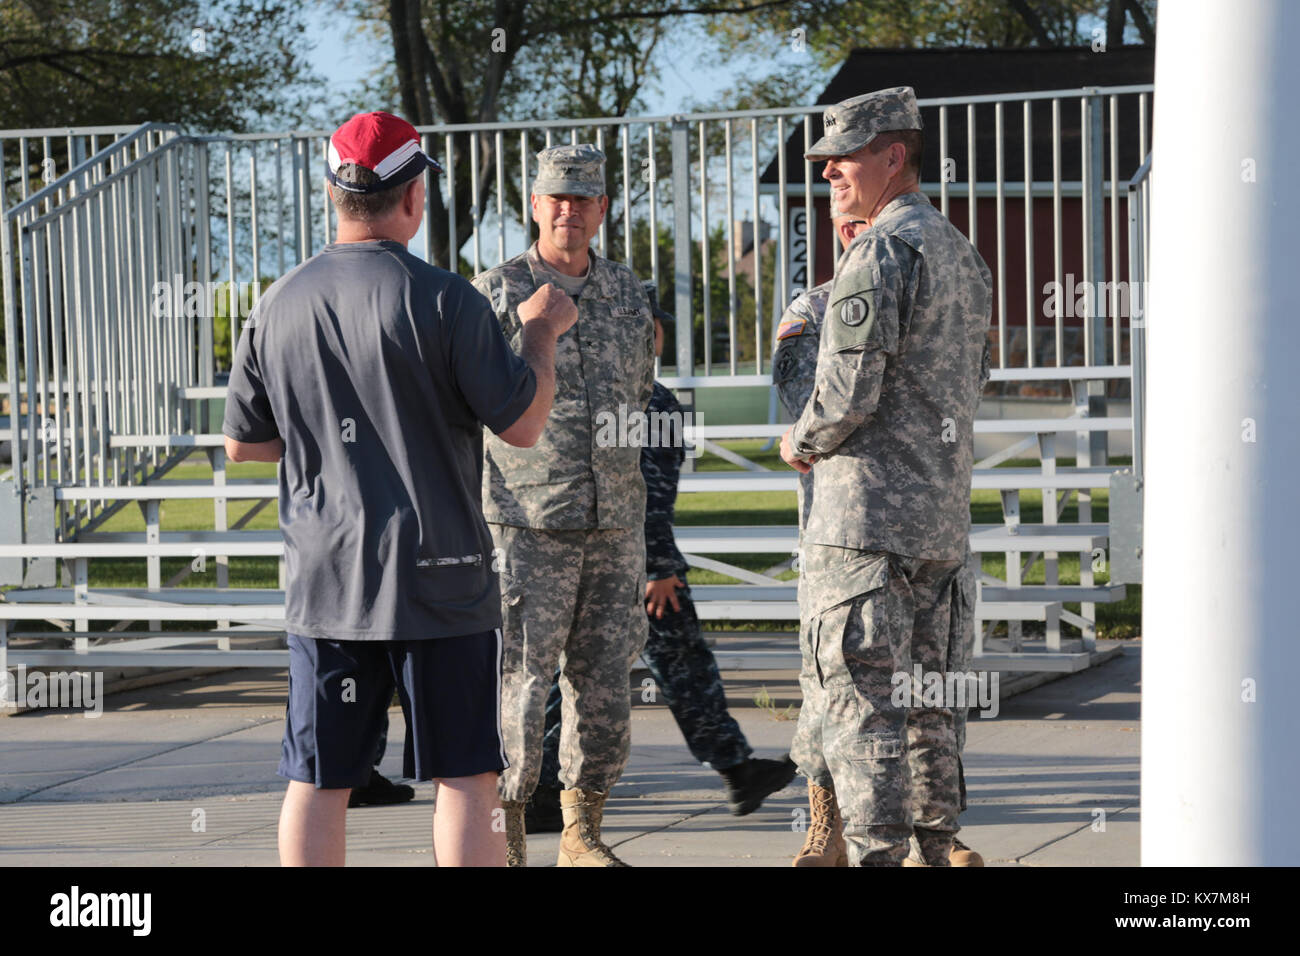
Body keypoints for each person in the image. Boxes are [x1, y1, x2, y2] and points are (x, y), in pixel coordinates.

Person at [222, 110, 575, 867]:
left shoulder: (277, 302)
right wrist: (540, 332)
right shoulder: (446, 299)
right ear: (413, 195)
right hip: (440, 581)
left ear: (333, 193)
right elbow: (522, 425)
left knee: (319, 779)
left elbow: (246, 445)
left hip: (328, 584)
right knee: (466, 778)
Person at [778, 87, 992, 867]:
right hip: (939, 523)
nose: (829, 171)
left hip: (864, 523)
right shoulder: (962, 255)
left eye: (844, 157)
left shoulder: (879, 251)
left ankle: (876, 854)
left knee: (862, 704)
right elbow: (974, 380)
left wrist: (799, 440)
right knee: (931, 702)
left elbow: (846, 391)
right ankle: (936, 849)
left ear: (893, 155)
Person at [526, 288, 797, 832]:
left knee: (645, 667)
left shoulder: (576, 389)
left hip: (576, 559)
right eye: (649, 326)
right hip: (628, 564)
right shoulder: (650, 401)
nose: (656, 336)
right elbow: (647, 493)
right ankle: (542, 792)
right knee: (610, 674)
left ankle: (736, 769)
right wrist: (659, 569)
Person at [471, 145, 656, 867]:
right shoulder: (495, 293)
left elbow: (641, 392)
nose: (569, 211)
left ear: (602, 208)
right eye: (556, 197)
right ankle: (509, 836)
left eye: (583, 199)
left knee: (606, 683)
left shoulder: (627, 293)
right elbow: (473, 405)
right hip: (528, 524)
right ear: (534, 204)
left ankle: (583, 832)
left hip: (614, 522)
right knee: (520, 683)